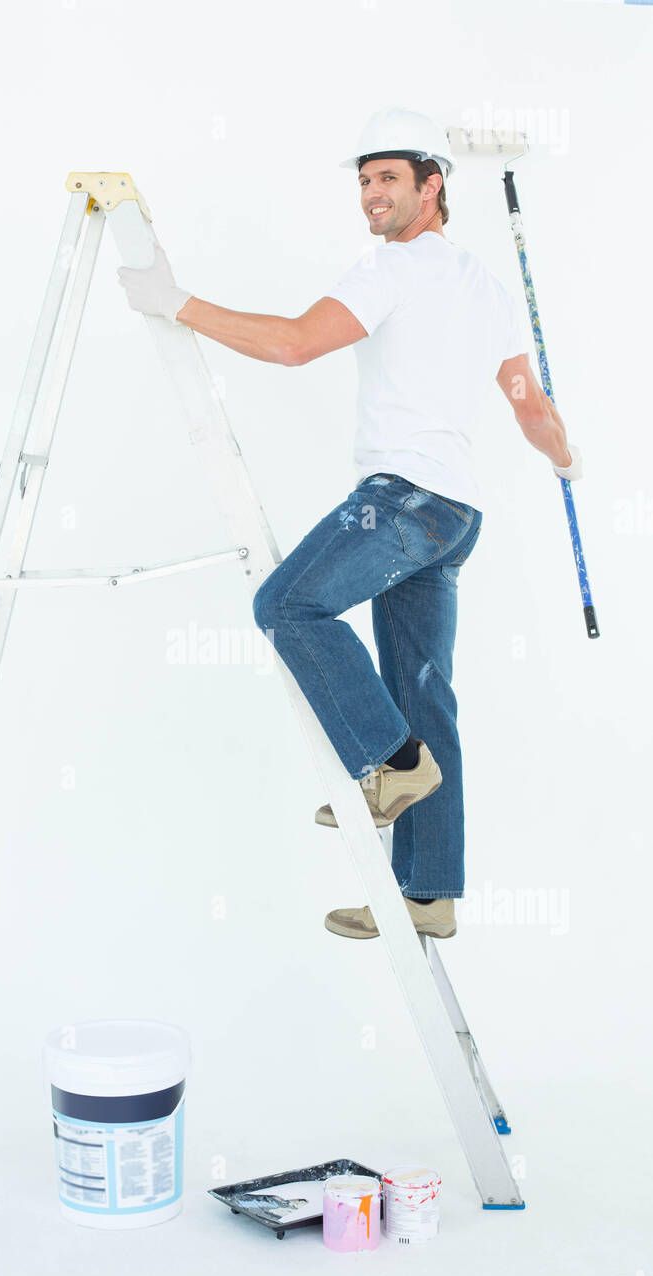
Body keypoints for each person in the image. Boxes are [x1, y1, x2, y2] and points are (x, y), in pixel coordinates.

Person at [117, 106, 579, 942]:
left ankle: (393, 768)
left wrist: (175, 303)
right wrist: (565, 459)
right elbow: (532, 408)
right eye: (364, 180)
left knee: (287, 607)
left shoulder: (391, 268)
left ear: (433, 187)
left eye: (388, 179)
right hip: (454, 515)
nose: (371, 194)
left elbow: (295, 345)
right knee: (427, 701)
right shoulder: (487, 287)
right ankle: (428, 894)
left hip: (403, 500)